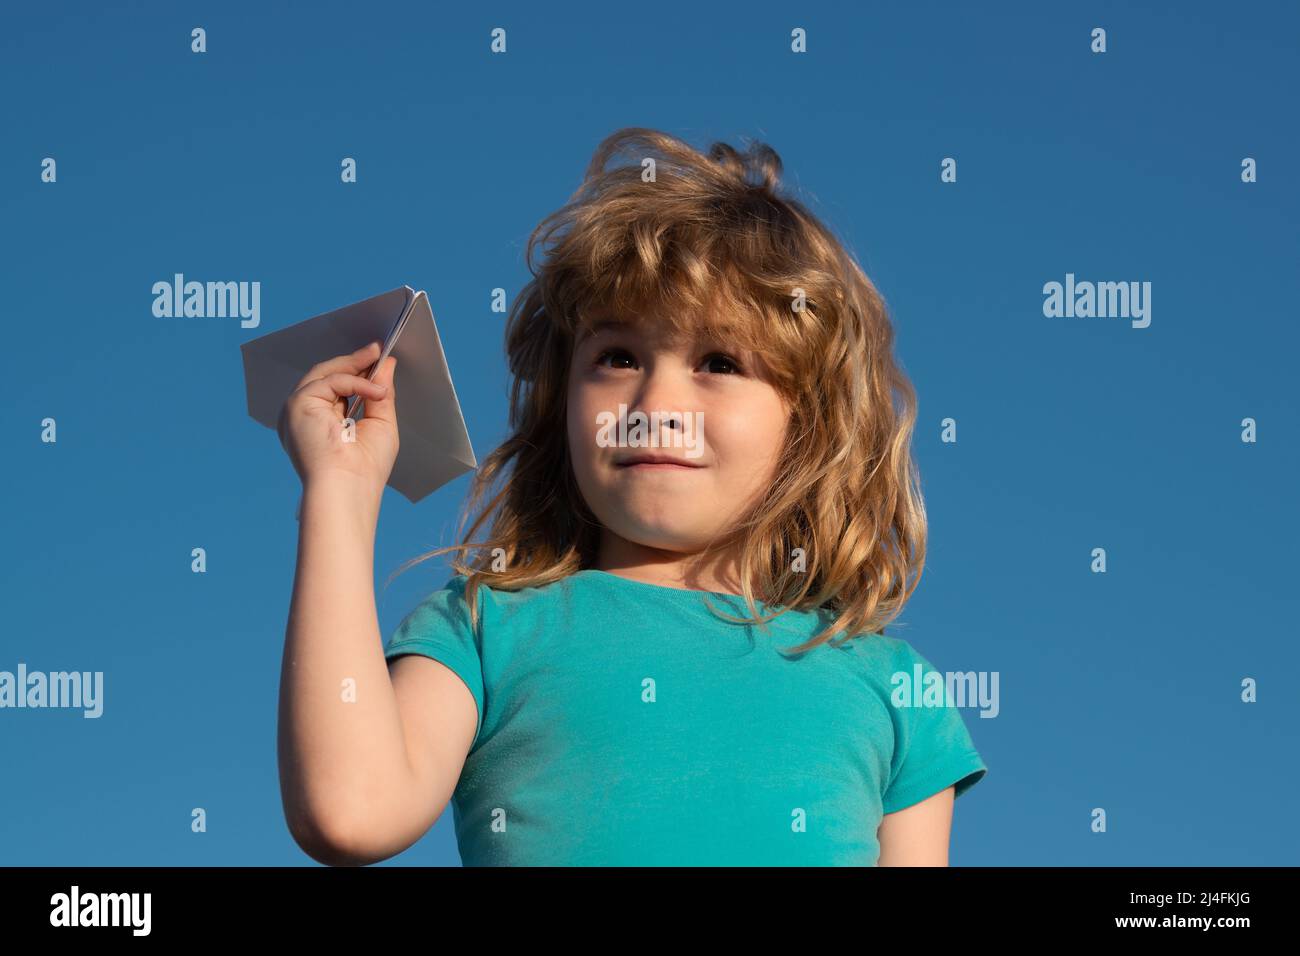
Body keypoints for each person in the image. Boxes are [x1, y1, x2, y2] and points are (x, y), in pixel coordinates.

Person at [276, 127, 988, 867]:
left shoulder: (898, 692)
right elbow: (349, 811)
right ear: (562, 405)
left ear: (808, 424)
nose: (655, 402)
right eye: (617, 357)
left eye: (719, 361)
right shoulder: (485, 628)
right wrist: (343, 491)